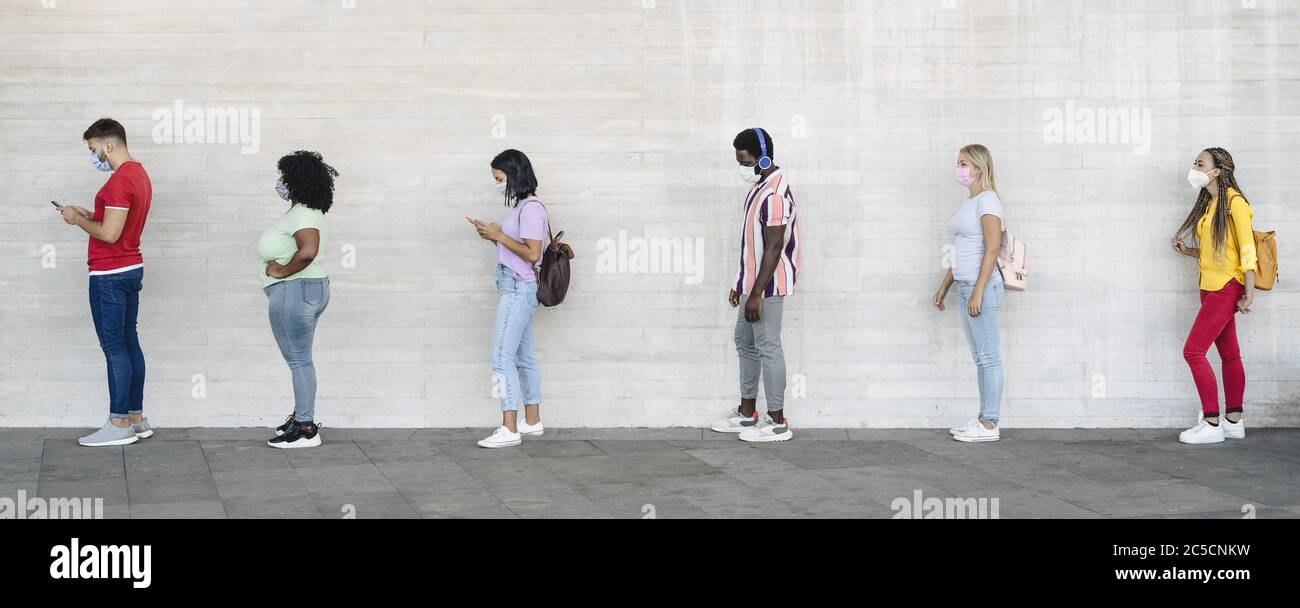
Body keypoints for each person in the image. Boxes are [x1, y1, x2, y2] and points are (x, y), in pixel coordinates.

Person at [60, 118, 154, 448]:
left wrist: (76, 221)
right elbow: (118, 225)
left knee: (114, 347)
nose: (94, 155)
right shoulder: (139, 175)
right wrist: (88, 214)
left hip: (109, 274)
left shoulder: (118, 182)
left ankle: (118, 424)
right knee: (129, 342)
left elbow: (110, 234)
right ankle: (136, 418)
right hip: (131, 268)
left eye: (93, 149)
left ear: (107, 145)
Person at [710, 128, 799, 443]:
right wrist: (741, 285)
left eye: (746, 163)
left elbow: (773, 249)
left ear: (762, 157)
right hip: (752, 285)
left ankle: (777, 422)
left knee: (768, 347)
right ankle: (748, 414)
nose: (743, 169)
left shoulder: (775, 195)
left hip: (767, 289)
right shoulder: (760, 188)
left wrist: (757, 294)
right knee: (745, 342)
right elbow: (753, 245)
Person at [1170, 148, 1256, 445]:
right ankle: (1234, 421)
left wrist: (1249, 293)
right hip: (1209, 286)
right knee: (1229, 354)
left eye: (1200, 163)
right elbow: (1216, 251)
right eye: (1195, 162)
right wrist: (1189, 251)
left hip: (1226, 287)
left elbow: (1247, 250)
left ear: (1217, 170)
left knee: (1193, 352)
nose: (1194, 167)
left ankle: (1211, 422)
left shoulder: (1235, 204)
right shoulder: (1213, 204)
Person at [471, 149, 550, 449]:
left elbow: (532, 253)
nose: (497, 184)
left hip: (519, 287)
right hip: (518, 286)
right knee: (522, 355)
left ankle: (509, 427)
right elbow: (520, 246)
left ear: (515, 176)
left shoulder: (531, 208)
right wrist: (493, 235)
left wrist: (499, 236)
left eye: (500, 178)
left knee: (501, 357)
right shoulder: (523, 207)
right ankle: (532, 421)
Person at [260, 151, 337, 449]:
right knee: (301, 360)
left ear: (297, 180)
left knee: (299, 361)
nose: (280, 182)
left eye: (284, 177)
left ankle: (305, 428)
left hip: (295, 290)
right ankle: (301, 418)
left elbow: (308, 251)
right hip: (308, 289)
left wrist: (281, 270)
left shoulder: (304, 213)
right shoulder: (307, 211)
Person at [933, 144, 1005, 443]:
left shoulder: (988, 200)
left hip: (981, 287)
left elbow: (991, 249)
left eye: (964, 163)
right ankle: (982, 418)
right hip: (965, 285)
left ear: (978, 167)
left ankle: (990, 424)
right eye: (958, 162)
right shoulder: (971, 201)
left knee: (989, 358)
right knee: (980, 357)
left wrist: (978, 292)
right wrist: (945, 285)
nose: (959, 169)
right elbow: (964, 251)